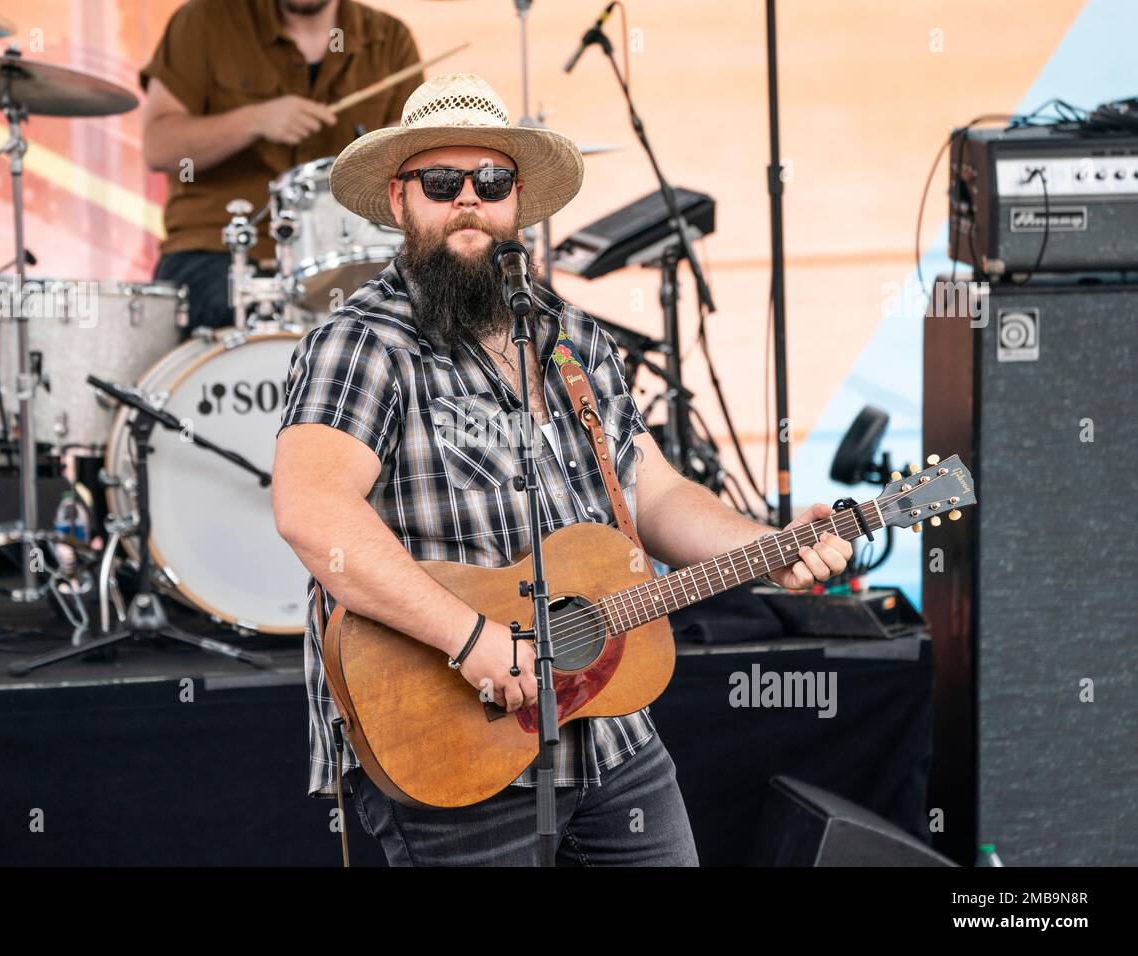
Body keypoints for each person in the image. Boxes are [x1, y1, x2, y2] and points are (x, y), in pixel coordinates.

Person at [271, 74, 853, 866]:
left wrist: (768, 544)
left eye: (492, 180)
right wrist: (471, 638)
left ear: (520, 199)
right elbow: (314, 512)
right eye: (442, 183)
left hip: (610, 735)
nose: (468, 200)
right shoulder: (364, 341)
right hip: (452, 747)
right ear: (400, 198)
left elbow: (654, 491)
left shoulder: (574, 338)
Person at [139, 0, 423, 334]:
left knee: (427, 309)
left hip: (349, 258)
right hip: (219, 253)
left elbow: (413, 167)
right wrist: (254, 121)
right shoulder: (203, 21)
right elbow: (158, 146)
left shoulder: (390, 39)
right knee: (222, 302)